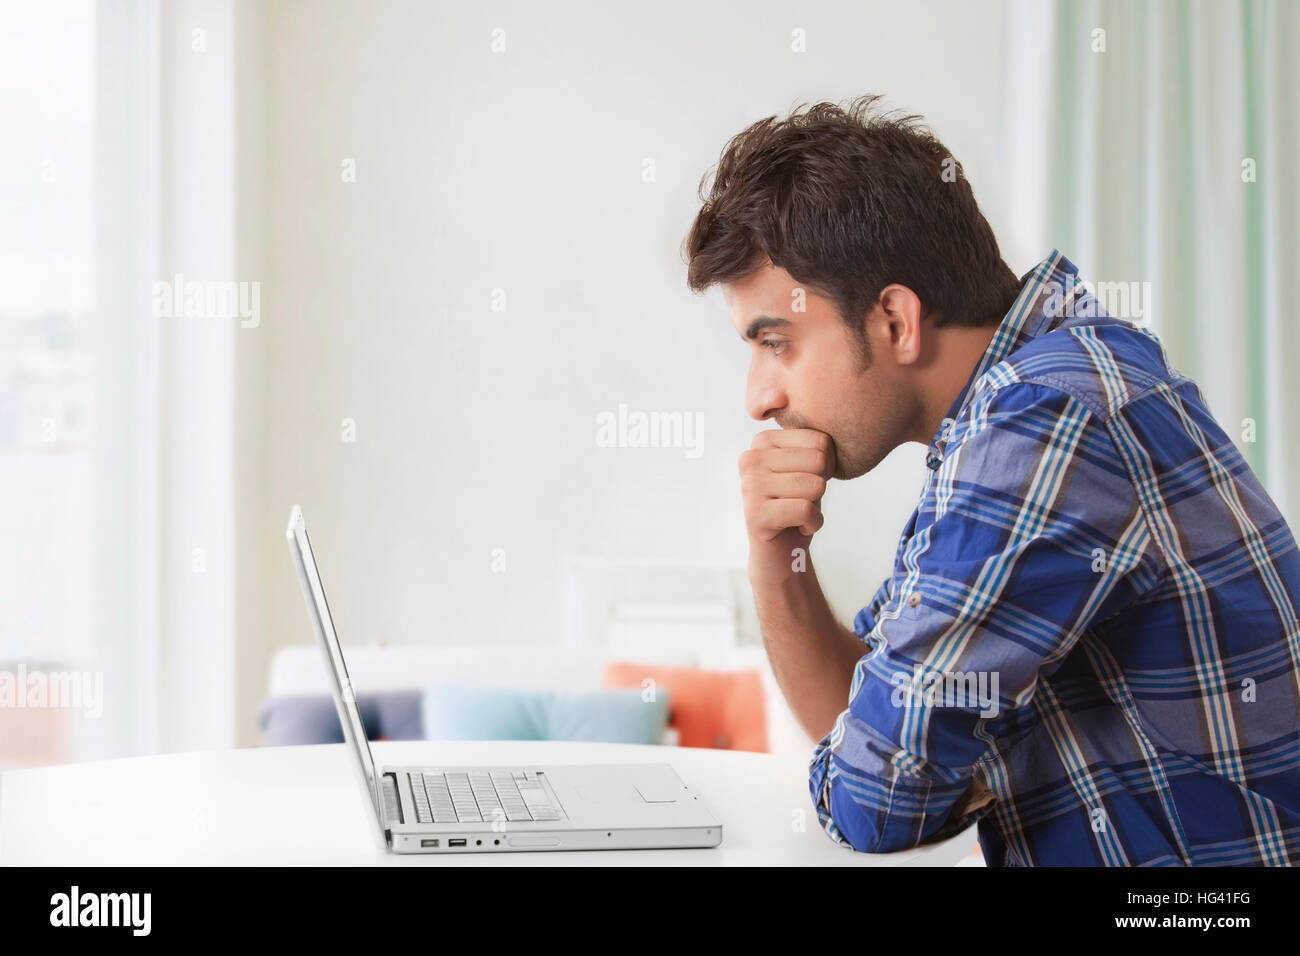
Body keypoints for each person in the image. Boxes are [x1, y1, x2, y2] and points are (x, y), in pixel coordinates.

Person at [683, 94, 1300, 865]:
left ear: (897, 322)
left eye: (777, 343)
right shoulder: (1014, 410)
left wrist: (908, 756)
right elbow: (862, 721)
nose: (759, 398)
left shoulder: (1046, 420)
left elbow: (876, 799)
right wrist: (780, 561)